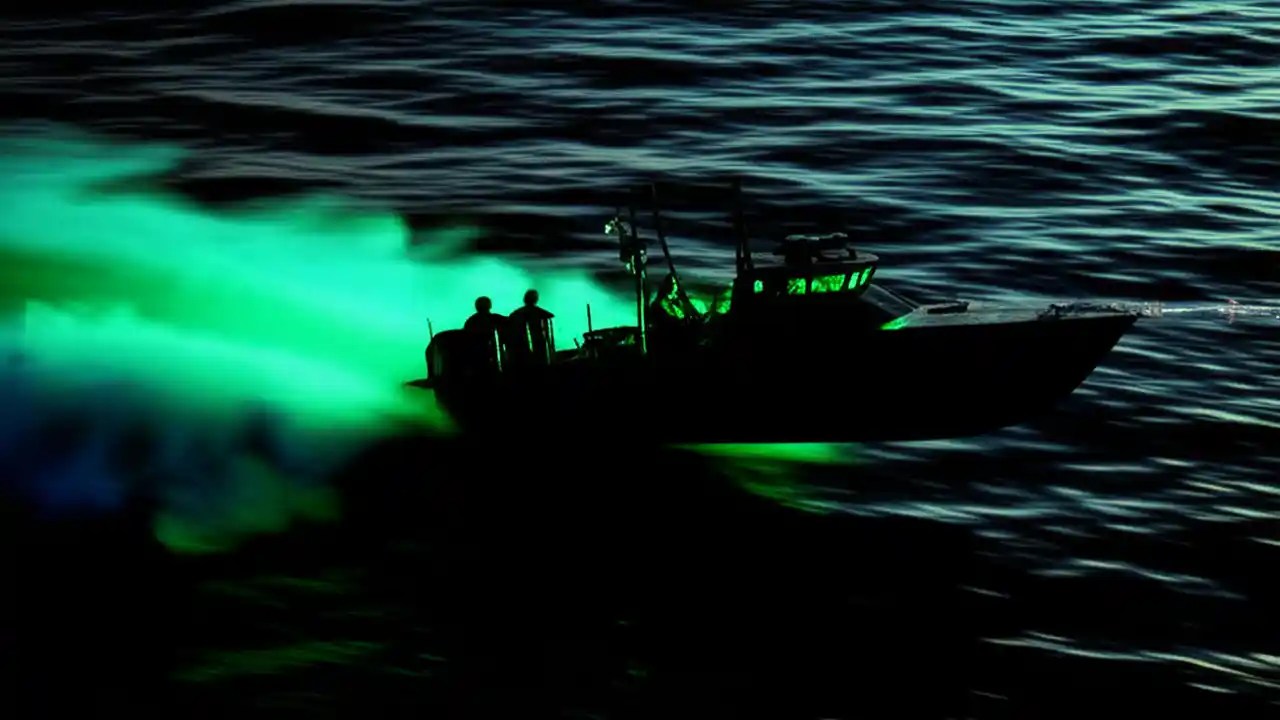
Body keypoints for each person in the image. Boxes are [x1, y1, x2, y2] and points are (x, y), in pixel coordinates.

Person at [506, 289, 555, 365]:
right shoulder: (539, 312)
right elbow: (551, 316)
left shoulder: (516, 313)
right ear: (536, 299)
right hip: (537, 343)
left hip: (520, 345)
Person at [464, 296, 506, 371]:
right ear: (490, 305)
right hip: (492, 355)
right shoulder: (495, 318)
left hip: (476, 357)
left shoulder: (470, 321)